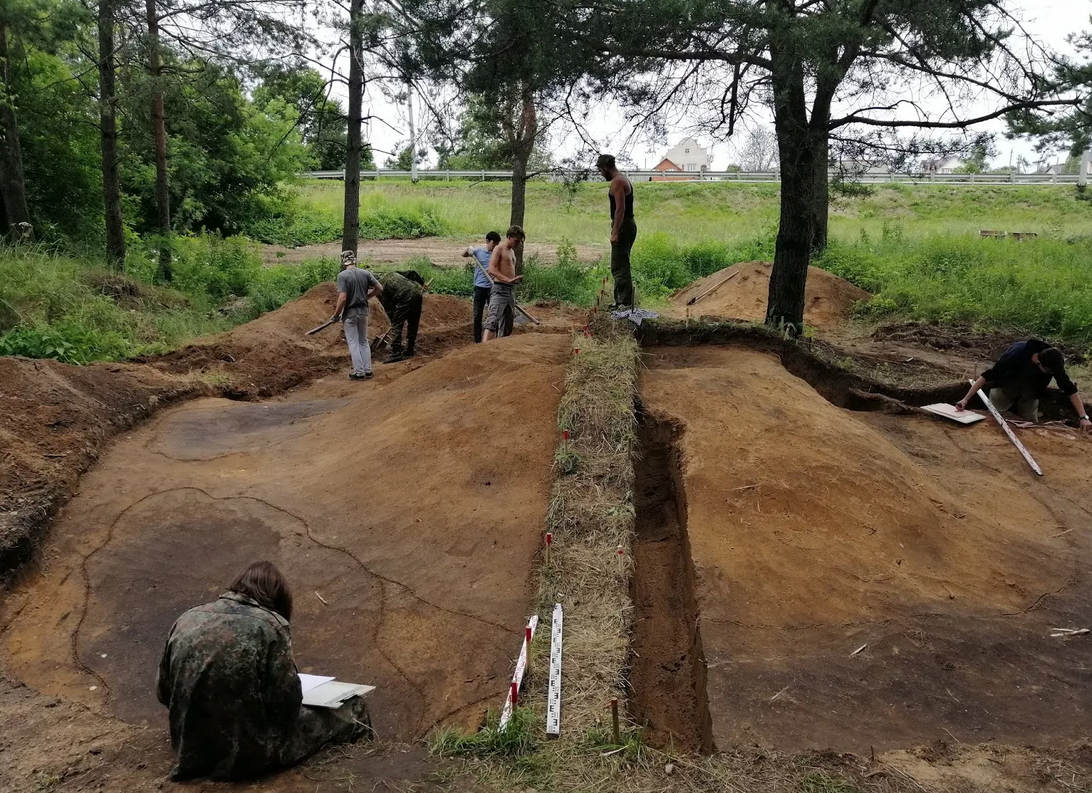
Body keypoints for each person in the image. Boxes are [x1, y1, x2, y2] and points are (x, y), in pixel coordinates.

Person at [156, 561, 372, 781]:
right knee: (354, 706)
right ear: (277, 598)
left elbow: (163, 692)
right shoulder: (271, 625)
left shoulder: (187, 618)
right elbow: (285, 707)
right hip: (247, 756)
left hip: (191, 748)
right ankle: (371, 766)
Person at [956, 339, 1092, 430]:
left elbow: (1070, 389)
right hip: (1005, 387)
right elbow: (987, 376)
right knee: (994, 423)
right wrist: (966, 399)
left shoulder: (1052, 361)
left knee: (1030, 427)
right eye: (1049, 372)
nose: (1052, 374)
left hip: (1031, 393)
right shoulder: (1016, 356)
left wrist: (1083, 417)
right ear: (1039, 362)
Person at [332, 251, 382, 381]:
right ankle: (368, 370)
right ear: (354, 260)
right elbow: (379, 288)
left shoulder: (343, 276)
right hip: (363, 312)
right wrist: (367, 297)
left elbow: (342, 298)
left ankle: (359, 372)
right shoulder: (365, 273)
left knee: (353, 343)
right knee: (363, 341)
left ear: (343, 262)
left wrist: (336, 314)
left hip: (350, 314)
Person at [596, 153, 637, 309]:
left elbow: (620, 209)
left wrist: (615, 232)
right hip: (626, 224)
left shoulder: (618, 182)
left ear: (606, 167)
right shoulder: (622, 179)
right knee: (621, 263)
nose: (600, 174)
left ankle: (623, 303)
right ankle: (622, 300)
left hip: (623, 225)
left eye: (600, 170)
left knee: (619, 265)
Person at [482, 225, 525, 342]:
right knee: (492, 320)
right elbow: (491, 269)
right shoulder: (499, 248)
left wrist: (514, 280)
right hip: (500, 289)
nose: (518, 243)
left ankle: (500, 348)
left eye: (520, 241)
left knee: (507, 323)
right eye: (516, 240)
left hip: (510, 290)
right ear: (509, 237)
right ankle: (483, 349)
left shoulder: (512, 252)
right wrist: (507, 279)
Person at [377, 269, 425, 363]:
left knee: (397, 325)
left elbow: (390, 311)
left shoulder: (381, 288)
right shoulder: (393, 273)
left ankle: (396, 353)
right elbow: (412, 273)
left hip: (404, 297)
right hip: (417, 293)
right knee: (413, 322)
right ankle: (410, 349)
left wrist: (394, 322)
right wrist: (422, 284)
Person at [464, 231, 501, 343]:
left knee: (493, 315)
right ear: (487, 242)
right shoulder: (478, 251)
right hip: (479, 288)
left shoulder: (497, 254)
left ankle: (494, 339)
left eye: (496, 246)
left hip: (492, 288)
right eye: (493, 245)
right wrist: (468, 250)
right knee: (477, 315)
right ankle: (477, 341)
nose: (494, 248)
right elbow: (464, 254)